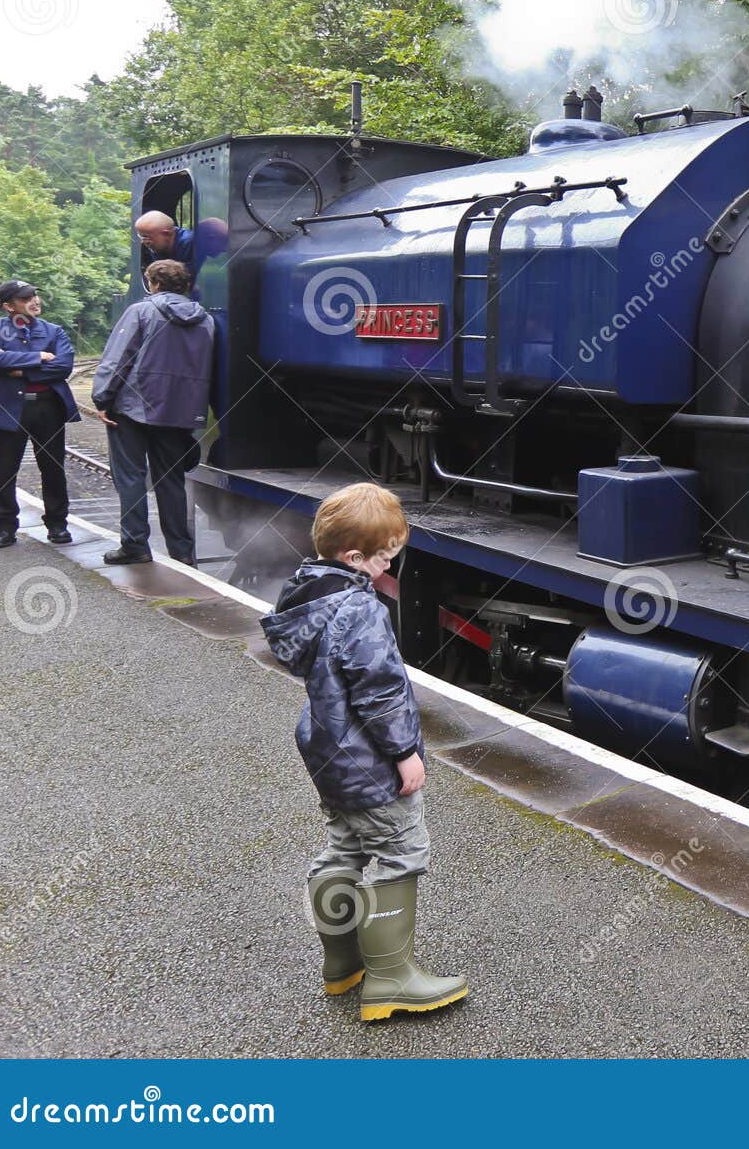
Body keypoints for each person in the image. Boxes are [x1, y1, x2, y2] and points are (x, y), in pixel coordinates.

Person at [259, 482, 468, 1022]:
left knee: (345, 847)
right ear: (355, 558)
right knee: (400, 848)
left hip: (328, 751)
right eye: (384, 558)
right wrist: (405, 753)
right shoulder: (360, 610)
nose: (387, 568)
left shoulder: (306, 596)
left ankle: (343, 965)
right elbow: (380, 691)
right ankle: (392, 980)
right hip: (369, 757)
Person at [91, 258, 216, 566]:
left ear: (154, 284)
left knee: (131, 476)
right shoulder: (206, 320)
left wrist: (102, 398)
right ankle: (181, 551)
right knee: (171, 480)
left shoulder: (141, 311)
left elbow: (119, 357)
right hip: (178, 411)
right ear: (185, 286)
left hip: (133, 407)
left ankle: (135, 545)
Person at [0, 281, 78, 549]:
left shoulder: (54, 330)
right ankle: (5, 527)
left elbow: (63, 367)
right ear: (8, 306)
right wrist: (39, 356)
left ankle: (58, 525)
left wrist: (19, 370)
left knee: (53, 467)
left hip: (47, 407)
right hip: (7, 407)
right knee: (5, 470)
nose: (34, 300)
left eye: (35, 295)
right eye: (25, 297)